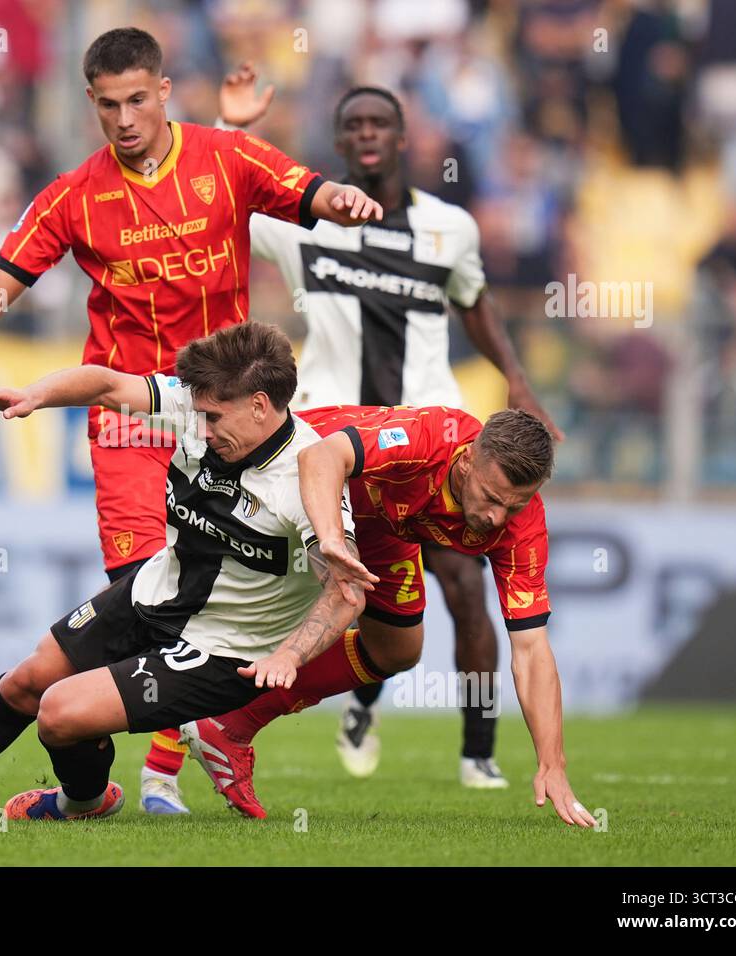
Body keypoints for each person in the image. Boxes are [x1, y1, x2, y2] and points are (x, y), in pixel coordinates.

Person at [0, 29, 380, 812]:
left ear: (163, 91)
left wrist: (345, 201)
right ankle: (137, 763)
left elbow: (309, 193)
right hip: (131, 418)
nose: (124, 119)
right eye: (107, 105)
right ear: (90, 102)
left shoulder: (225, 159)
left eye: (136, 99)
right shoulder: (73, 195)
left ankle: (160, 756)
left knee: (214, 589)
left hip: (222, 418)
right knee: (144, 592)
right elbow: (3, 281)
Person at [140, 70, 564, 804]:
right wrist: (233, 128)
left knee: (445, 604)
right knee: (244, 596)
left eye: (380, 124)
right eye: (353, 126)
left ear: (403, 139)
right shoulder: (312, 217)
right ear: (339, 142)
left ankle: (478, 750)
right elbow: (233, 191)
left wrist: (517, 382)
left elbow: (476, 304)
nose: (367, 135)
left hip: (433, 447)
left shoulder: (449, 229)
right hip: (331, 445)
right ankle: (164, 763)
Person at [0, 323, 365, 824]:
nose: (201, 427)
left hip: (223, 650)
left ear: (259, 406)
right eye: (198, 414)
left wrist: (290, 655)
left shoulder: (307, 475)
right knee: (28, 681)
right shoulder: (196, 404)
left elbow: (345, 591)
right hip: (155, 592)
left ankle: (78, 799)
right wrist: (35, 394)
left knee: (59, 712)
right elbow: (108, 384)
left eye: (213, 419)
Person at [178, 404, 597, 828]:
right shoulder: (428, 438)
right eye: (491, 498)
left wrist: (552, 762)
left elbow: (531, 650)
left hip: (380, 524)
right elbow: (320, 457)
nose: (497, 518)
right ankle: (153, 753)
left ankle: (230, 726)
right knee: (219, 609)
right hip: (297, 478)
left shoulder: (521, 527)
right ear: (468, 460)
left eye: (515, 505)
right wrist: (333, 544)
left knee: (397, 648)